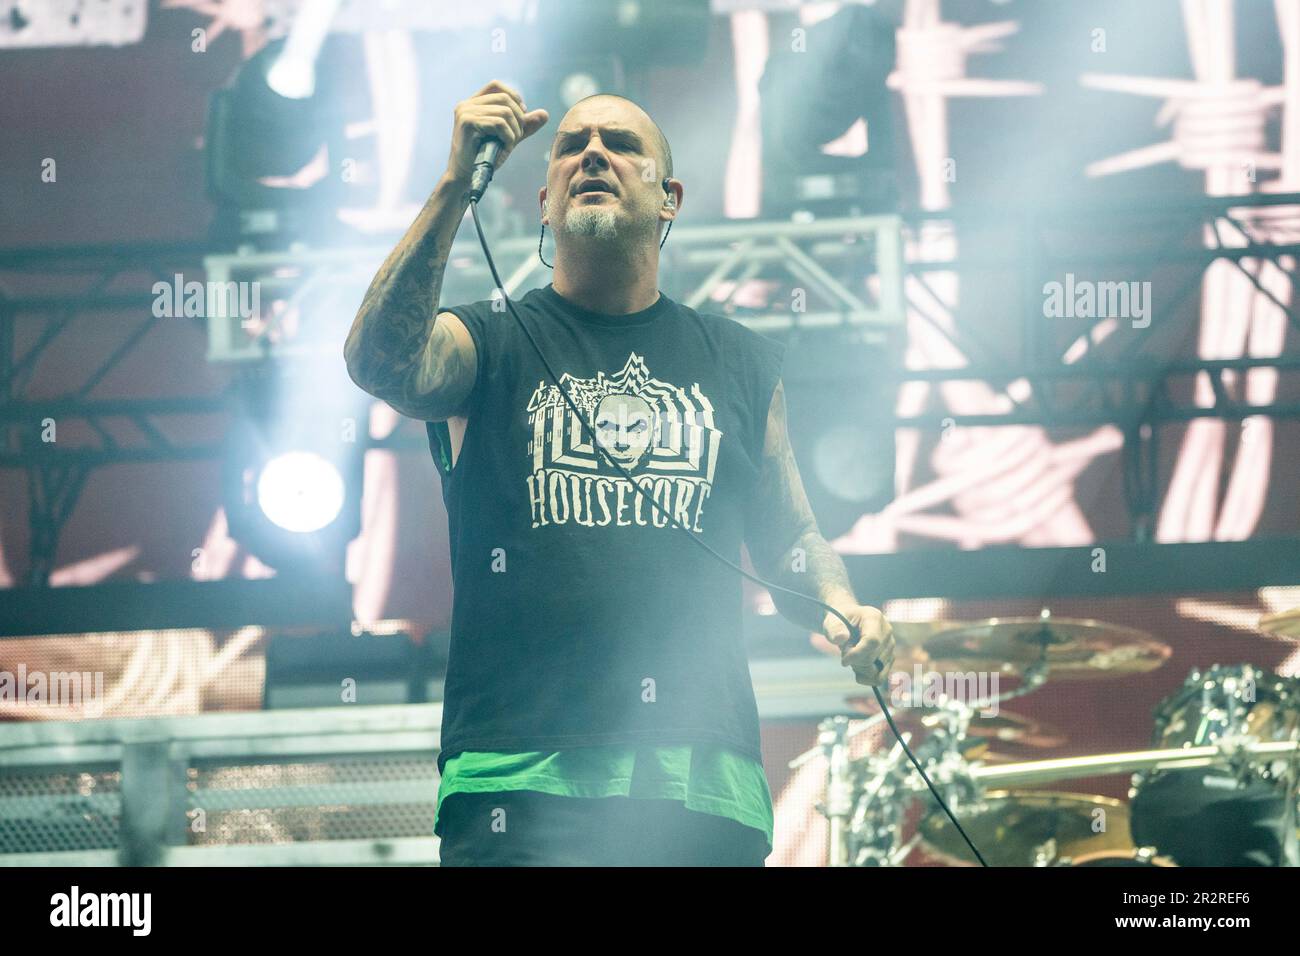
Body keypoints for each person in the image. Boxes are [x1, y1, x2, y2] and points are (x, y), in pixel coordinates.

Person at [344, 80, 895, 866]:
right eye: (570, 145)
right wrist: (453, 186)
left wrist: (842, 607)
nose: (592, 153)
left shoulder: (737, 362)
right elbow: (379, 362)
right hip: (520, 781)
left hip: (701, 784)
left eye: (620, 143)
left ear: (669, 198)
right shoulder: (488, 342)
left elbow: (790, 540)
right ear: (542, 201)